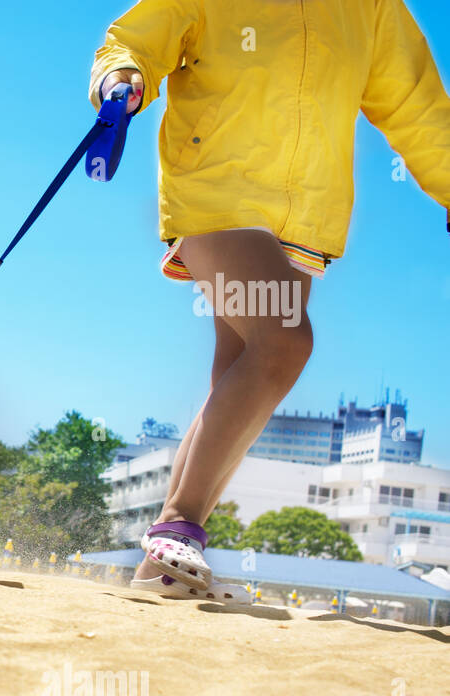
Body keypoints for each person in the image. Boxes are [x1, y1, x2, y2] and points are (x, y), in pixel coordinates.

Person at [89, 0, 450, 602]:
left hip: (303, 220)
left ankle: (161, 572)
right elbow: (138, 39)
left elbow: (417, 109)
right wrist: (122, 78)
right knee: (284, 340)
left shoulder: (373, 10)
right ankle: (178, 526)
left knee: (241, 373)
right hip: (214, 194)